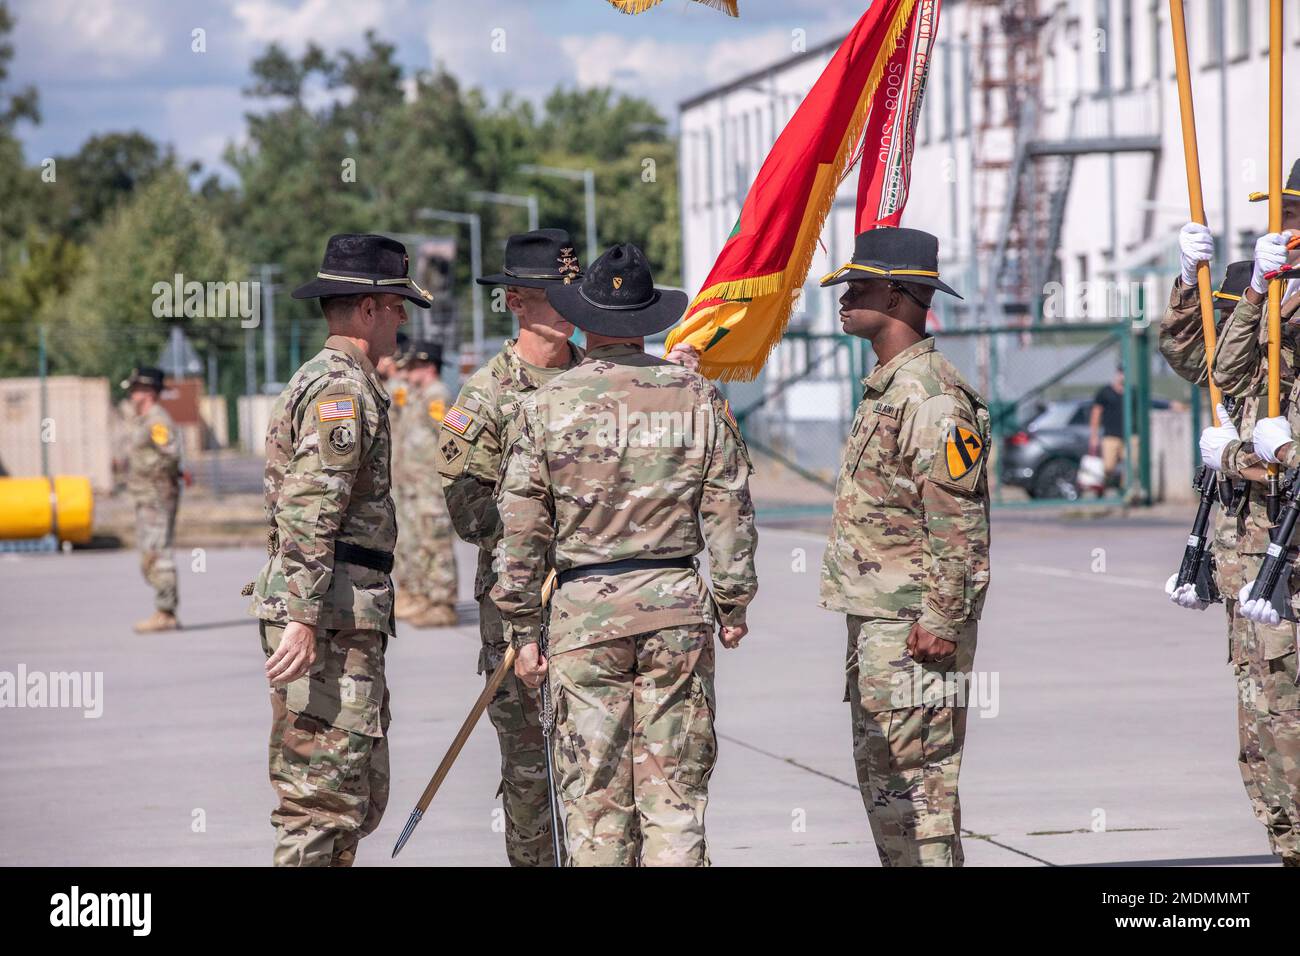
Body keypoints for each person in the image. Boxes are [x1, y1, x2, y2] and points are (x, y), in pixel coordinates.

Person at [492, 242, 758, 866]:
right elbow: (729, 507)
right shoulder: (696, 397)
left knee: (594, 803)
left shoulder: (547, 404)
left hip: (583, 617)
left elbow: (521, 529)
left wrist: (522, 627)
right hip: (675, 609)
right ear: (649, 322)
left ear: (583, 318)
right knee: (674, 797)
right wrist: (733, 601)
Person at [247, 233, 425, 866]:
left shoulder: (344, 382)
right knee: (319, 804)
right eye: (398, 304)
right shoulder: (339, 392)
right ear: (369, 308)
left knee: (350, 796)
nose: (404, 317)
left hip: (343, 611)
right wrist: (302, 617)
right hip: (326, 616)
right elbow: (310, 508)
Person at [818, 226, 988, 867]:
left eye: (857, 286)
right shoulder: (892, 386)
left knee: (919, 798)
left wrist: (942, 618)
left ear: (895, 296)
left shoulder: (930, 396)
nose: (844, 296)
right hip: (885, 624)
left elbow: (958, 520)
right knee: (891, 792)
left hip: (914, 627)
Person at [435, 228, 586, 866]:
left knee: (600, 767)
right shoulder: (487, 392)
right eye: (555, 296)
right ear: (518, 301)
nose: (570, 308)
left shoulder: (600, 378)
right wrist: (532, 533)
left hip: (594, 603)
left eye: (573, 293)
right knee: (530, 774)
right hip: (517, 604)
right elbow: (466, 508)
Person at [1159, 219, 1281, 849]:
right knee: (1259, 748)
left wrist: (1235, 456)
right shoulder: (1248, 299)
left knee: (1284, 746)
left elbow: (1275, 457)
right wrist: (1187, 283)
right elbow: (1195, 360)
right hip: (1245, 568)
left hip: (1281, 568)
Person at [1207, 212, 1300, 866]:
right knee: (1265, 747)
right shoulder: (1281, 305)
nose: (1287, 232)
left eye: (1295, 218)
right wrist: (1253, 294)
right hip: (1264, 564)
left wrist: (1275, 453)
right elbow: (1224, 369)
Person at [396, 340, 458, 627]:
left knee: (436, 542)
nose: (408, 373)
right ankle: (425, 596)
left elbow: (449, 438)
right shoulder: (421, 395)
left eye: (414, 367)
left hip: (431, 485)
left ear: (429, 367)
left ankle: (443, 602)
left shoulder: (437, 396)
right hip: (416, 484)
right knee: (420, 541)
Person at [120, 366, 182, 633]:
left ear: (147, 391)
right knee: (148, 555)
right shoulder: (143, 419)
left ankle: (165, 612)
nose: (132, 395)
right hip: (145, 496)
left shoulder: (157, 420)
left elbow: (171, 452)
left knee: (158, 552)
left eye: (135, 389)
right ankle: (163, 607)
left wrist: (156, 477)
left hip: (157, 496)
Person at [1088, 366, 1127, 488]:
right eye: (1121, 372)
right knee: (1108, 467)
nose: (1123, 376)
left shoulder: (1131, 391)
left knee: (1131, 467)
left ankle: (1125, 491)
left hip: (1129, 436)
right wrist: (1094, 436)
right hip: (1111, 435)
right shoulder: (1105, 392)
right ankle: (1103, 487)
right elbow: (1096, 413)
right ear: (1117, 374)